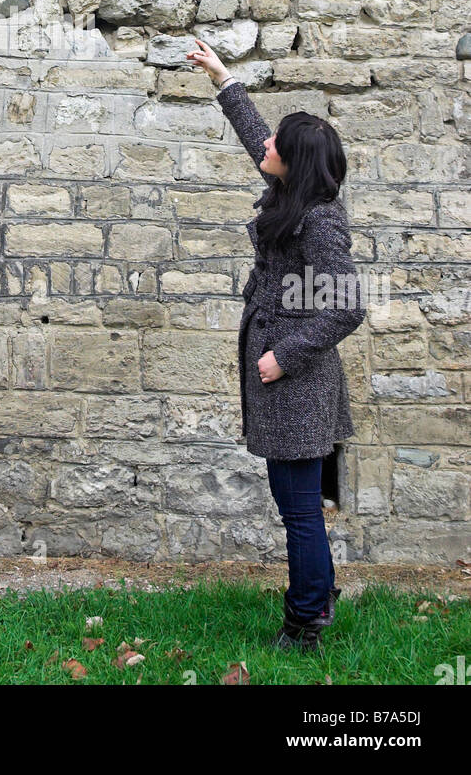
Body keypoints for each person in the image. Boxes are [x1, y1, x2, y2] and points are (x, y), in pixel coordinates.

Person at [186, 37, 367, 651]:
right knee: (299, 506)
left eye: (276, 147)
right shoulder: (291, 194)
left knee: (298, 511)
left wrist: (282, 356)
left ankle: (307, 620)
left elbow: (347, 306)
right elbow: (257, 138)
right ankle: (318, 595)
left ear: (295, 163)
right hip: (283, 380)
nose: (266, 147)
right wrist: (222, 78)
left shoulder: (319, 220)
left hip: (295, 384)